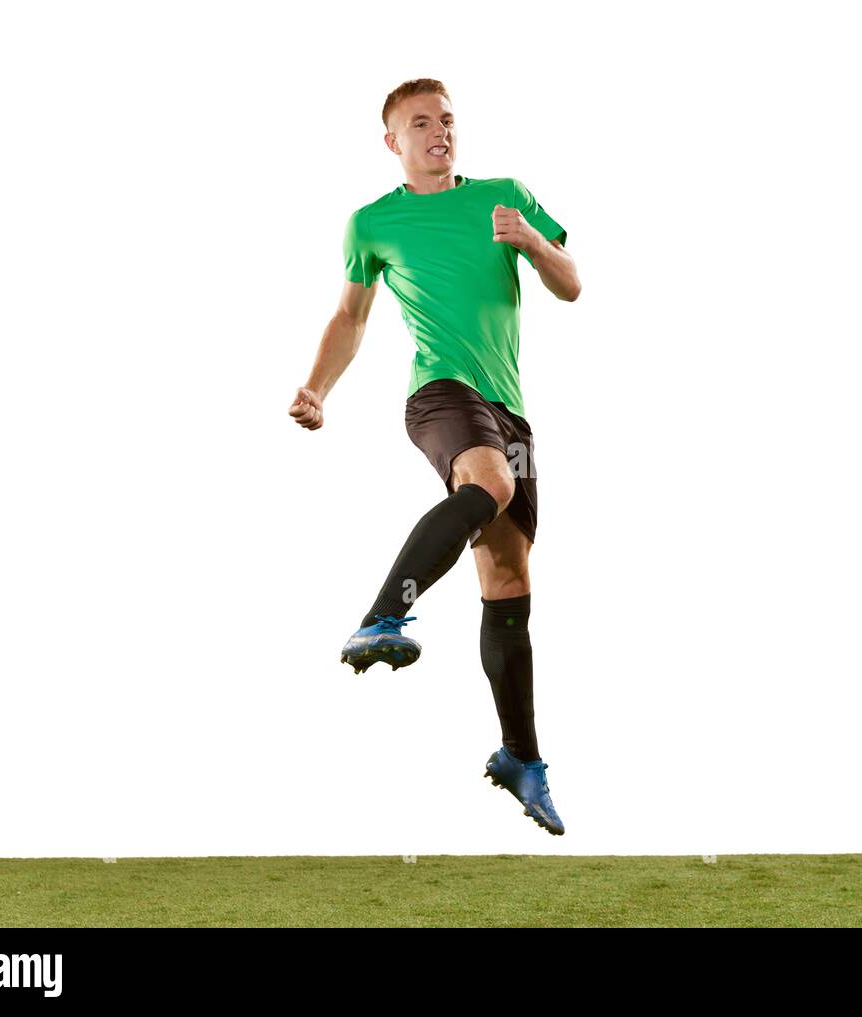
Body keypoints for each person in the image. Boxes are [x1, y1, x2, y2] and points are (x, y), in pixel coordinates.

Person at [287, 79, 580, 835]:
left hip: (507, 403)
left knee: (509, 574)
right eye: (421, 123)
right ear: (394, 141)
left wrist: (533, 242)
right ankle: (384, 613)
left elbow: (571, 283)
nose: (439, 131)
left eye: (446, 119)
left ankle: (522, 755)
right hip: (440, 391)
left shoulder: (504, 196)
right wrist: (317, 387)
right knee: (489, 479)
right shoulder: (374, 222)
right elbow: (349, 317)